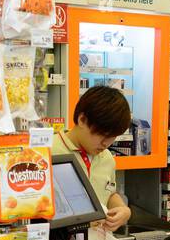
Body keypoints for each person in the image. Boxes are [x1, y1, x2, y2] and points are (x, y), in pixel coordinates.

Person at [55, 85, 133, 231]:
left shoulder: (107, 157)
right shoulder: (49, 151)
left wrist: (123, 210)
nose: (106, 143)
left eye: (112, 137)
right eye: (102, 135)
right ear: (82, 119)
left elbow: (108, 193)